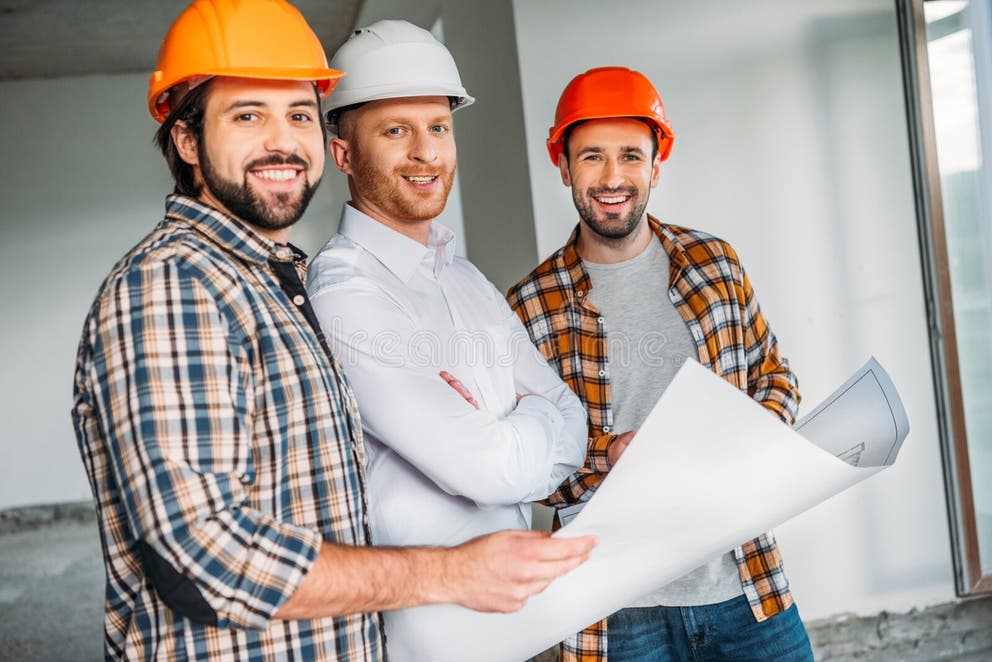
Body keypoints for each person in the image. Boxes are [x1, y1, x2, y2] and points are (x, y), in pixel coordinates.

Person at [71, 2, 594, 659]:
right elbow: (201, 554)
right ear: (186, 140)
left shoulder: (272, 284)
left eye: (296, 114)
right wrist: (450, 569)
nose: (282, 141)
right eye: (247, 115)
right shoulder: (173, 285)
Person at [507, 66, 814, 661]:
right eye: (592, 156)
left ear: (655, 164)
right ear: (564, 165)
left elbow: (774, 378)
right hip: (616, 613)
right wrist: (609, 456)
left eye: (630, 155)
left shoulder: (715, 265)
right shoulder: (527, 307)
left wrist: (755, 435)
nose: (612, 177)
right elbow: (526, 464)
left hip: (743, 586)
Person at [304, 20, 589, 658]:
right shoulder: (344, 291)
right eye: (396, 130)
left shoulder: (465, 279)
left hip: (517, 627)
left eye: (438, 127)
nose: (426, 153)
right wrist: (526, 420)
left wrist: (518, 427)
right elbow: (489, 467)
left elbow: (574, 417)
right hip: (430, 639)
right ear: (344, 154)